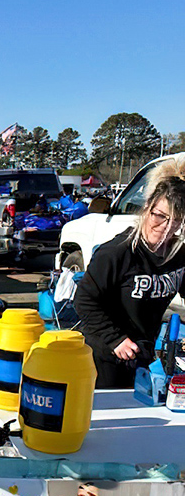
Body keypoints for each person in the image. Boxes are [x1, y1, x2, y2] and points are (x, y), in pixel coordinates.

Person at [74, 157, 185, 388]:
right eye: (159, 216)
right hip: (105, 354)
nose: (165, 227)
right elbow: (84, 300)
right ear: (147, 208)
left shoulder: (179, 254)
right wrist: (116, 339)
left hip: (143, 352)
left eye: (175, 221)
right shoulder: (117, 252)